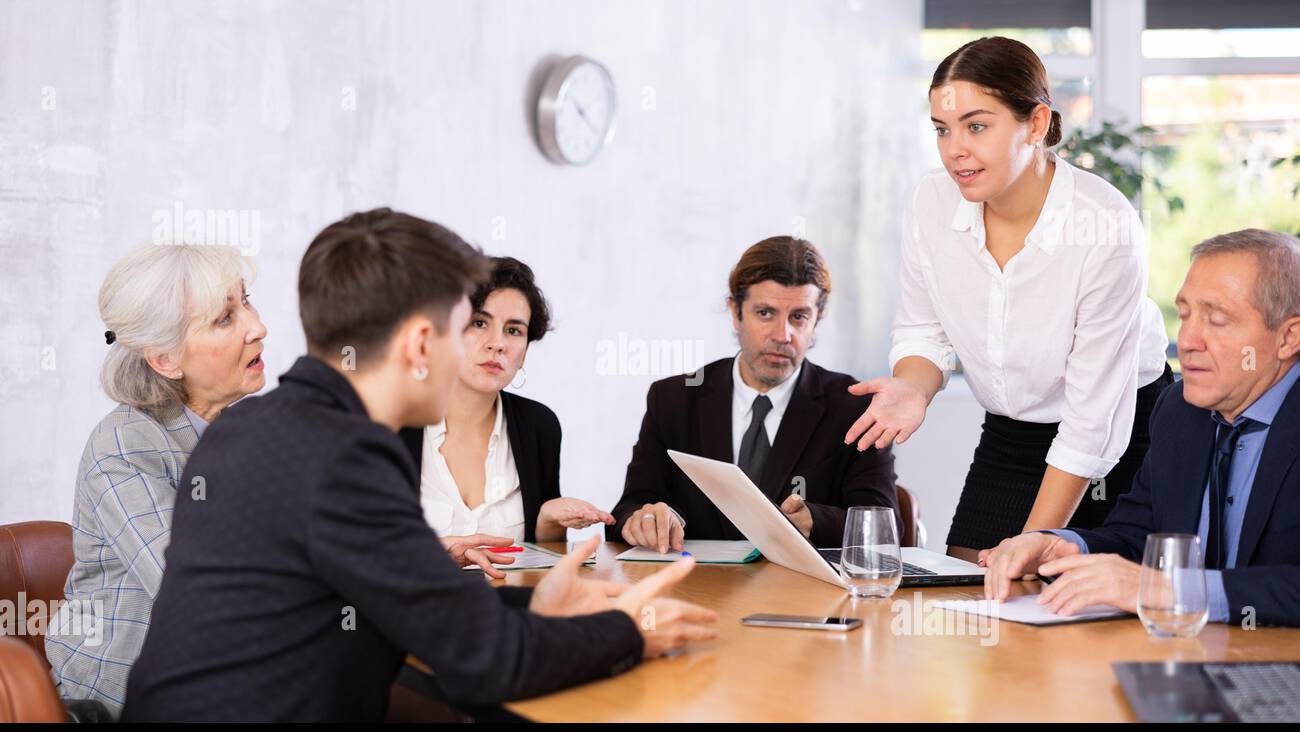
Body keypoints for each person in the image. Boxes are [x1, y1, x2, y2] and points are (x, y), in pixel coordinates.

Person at [121, 208, 717, 722]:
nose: (481, 349)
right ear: (417, 345)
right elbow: (487, 662)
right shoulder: (344, 455)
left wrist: (535, 604)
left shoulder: (258, 423)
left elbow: (410, 598)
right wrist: (630, 634)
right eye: (466, 328)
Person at [843, 36, 1171, 556]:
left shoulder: (1103, 225)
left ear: (1036, 124)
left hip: (1121, 432)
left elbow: (1090, 425)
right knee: (970, 592)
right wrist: (914, 386)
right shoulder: (931, 202)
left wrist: (1030, 544)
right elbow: (923, 332)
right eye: (942, 130)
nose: (955, 150)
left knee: (1067, 601)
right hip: (1012, 430)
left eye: (977, 126)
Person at [982, 229, 1300, 628]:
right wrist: (1066, 546)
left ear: (1289, 337)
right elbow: (1138, 537)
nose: (1187, 340)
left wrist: (1176, 592)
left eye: (1217, 320)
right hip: (1184, 659)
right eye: (1184, 315)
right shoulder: (1179, 411)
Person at [46, 244, 267, 718]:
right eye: (225, 318)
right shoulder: (125, 446)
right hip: (119, 694)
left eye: (245, 301)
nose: (258, 327)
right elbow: (199, 593)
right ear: (165, 360)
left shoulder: (247, 428)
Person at [612, 235, 900, 553]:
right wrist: (644, 519)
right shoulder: (674, 399)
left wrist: (814, 520)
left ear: (817, 320)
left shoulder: (854, 407)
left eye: (799, 317)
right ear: (735, 312)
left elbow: (885, 531)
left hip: (804, 597)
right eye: (765, 313)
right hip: (696, 590)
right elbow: (631, 506)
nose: (782, 335)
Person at [399, 257, 613, 576]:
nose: (497, 344)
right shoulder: (391, 423)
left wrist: (547, 523)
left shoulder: (539, 425)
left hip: (509, 616)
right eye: (479, 323)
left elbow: (537, 566)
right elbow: (352, 549)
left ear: (525, 351)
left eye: (514, 330)